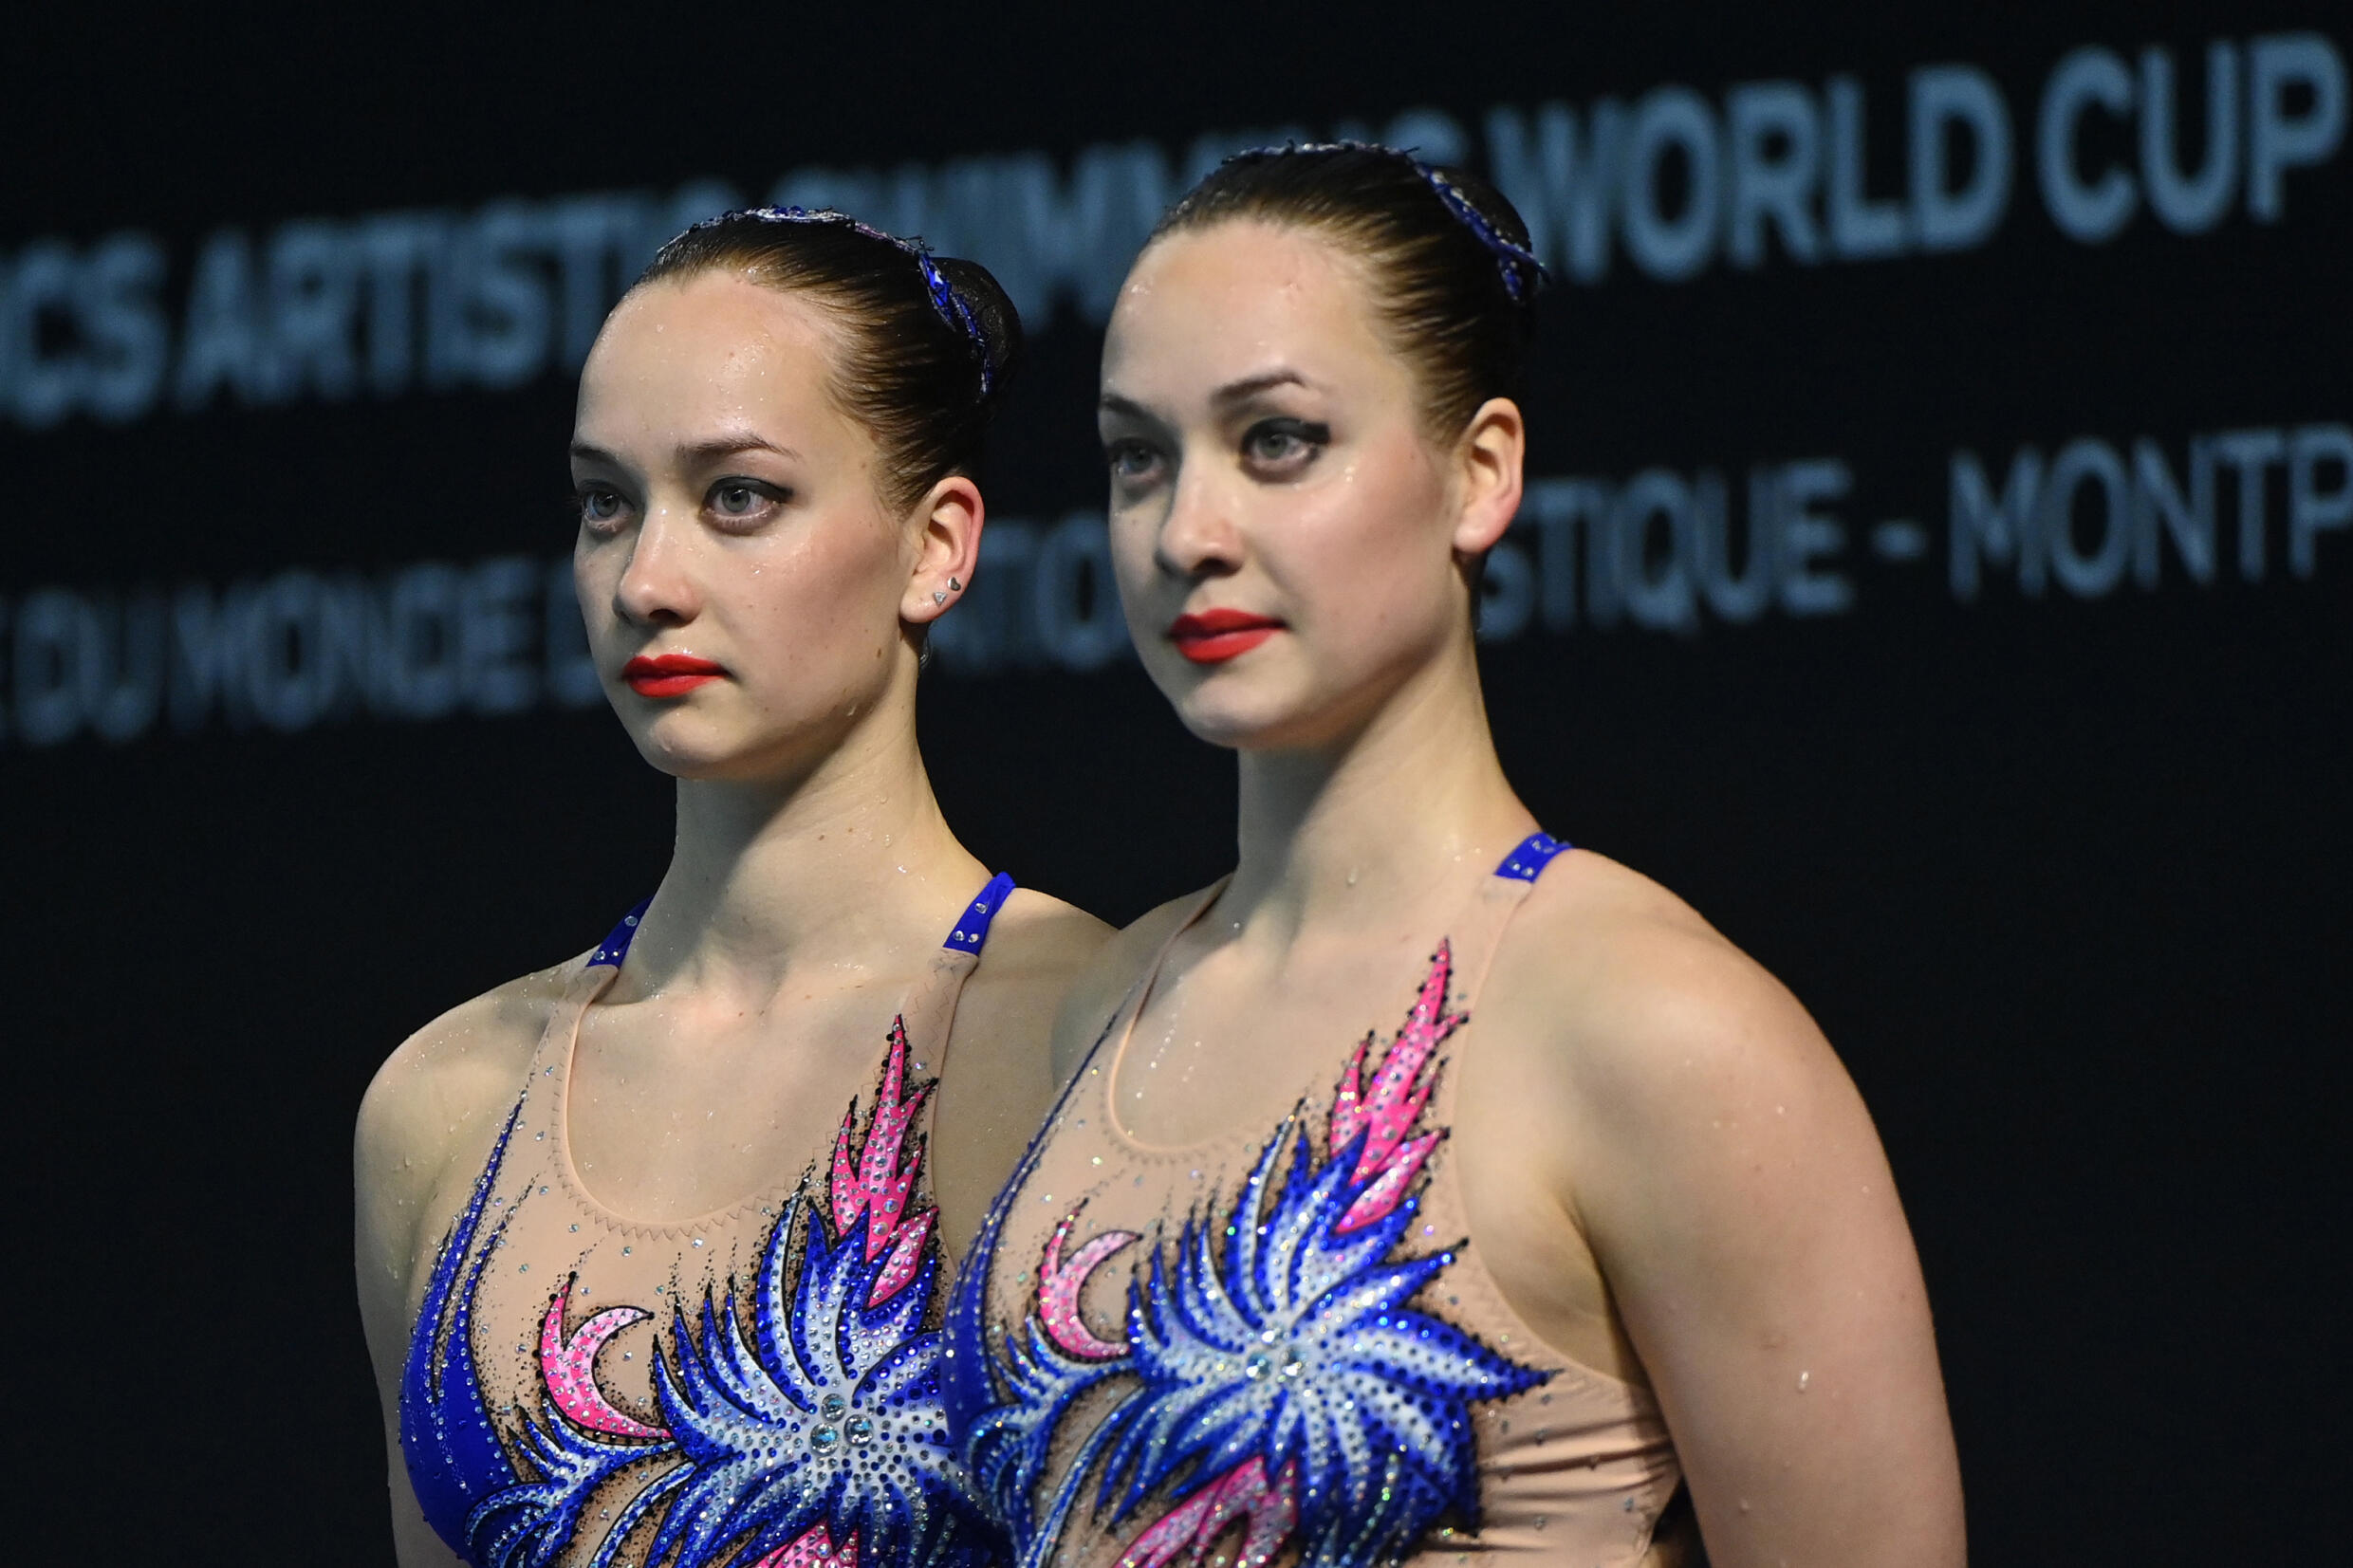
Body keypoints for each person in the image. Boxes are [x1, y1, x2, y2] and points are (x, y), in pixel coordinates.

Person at [944, 146, 1965, 1568]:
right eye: (1138, 458)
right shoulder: (1097, 1008)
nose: (1187, 532)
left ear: (1481, 473)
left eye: (1278, 440)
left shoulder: (1658, 1029)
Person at [356, 209, 1110, 1568]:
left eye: (738, 497)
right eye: (606, 503)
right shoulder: (447, 1099)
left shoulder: (1096, 1039)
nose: (646, 579)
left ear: (938, 545)